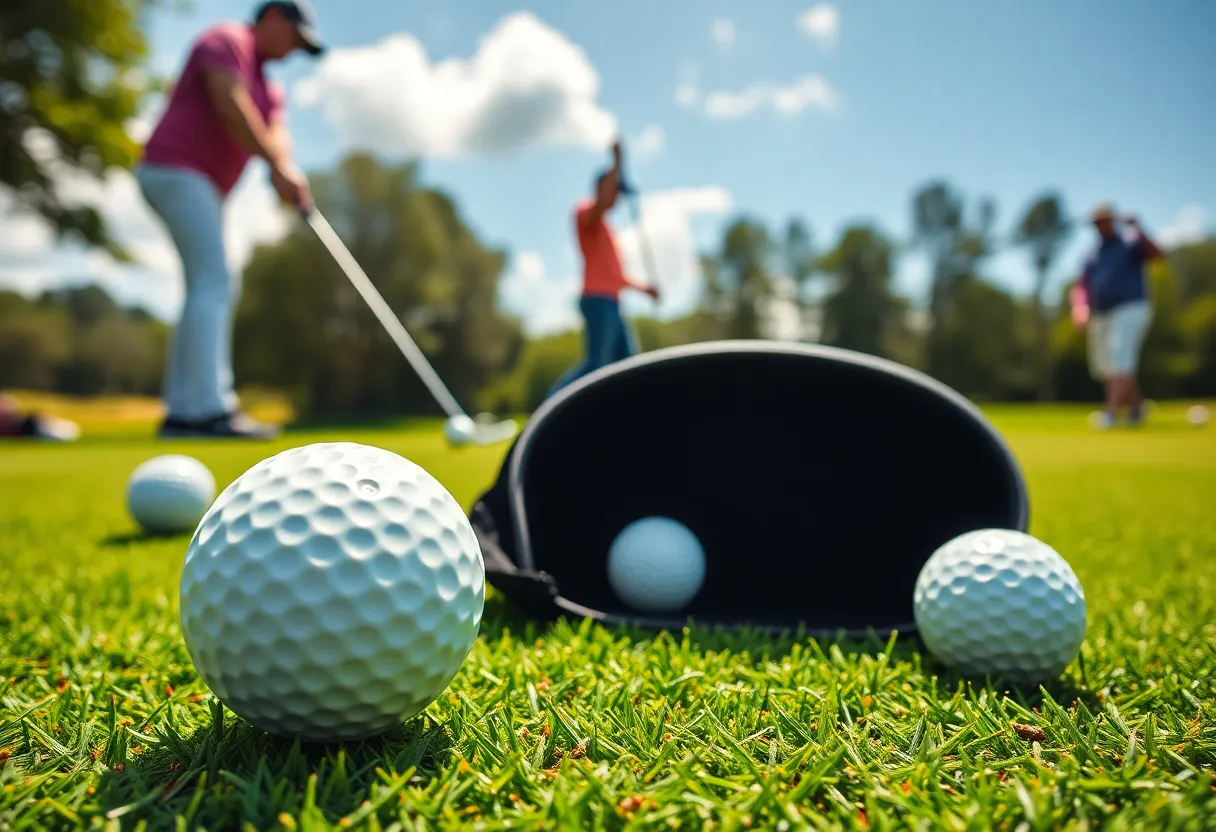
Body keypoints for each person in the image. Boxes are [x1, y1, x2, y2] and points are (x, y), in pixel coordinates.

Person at [135, 1, 325, 438]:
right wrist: (274, 165)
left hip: (202, 185)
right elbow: (229, 102)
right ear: (272, 17)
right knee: (215, 279)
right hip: (175, 169)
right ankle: (206, 409)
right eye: (294, 38)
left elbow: (276, 132)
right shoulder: (227, 40)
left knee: (205, 285)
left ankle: (184, 411)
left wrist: (285, 168)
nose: (293, 50)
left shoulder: (269, 86)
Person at [547, 141, 660, 398]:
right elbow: (600, 204)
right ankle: (552, 404)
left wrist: (646, 289)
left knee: (628, 365)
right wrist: (618, 164)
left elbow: (617, 277)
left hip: (613, 303)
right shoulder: (585, 213)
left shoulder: (609, 232)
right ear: (600, 188)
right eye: (614, 190)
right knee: (596, 365)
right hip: (596, 301)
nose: (617, 197)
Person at [1071, 202, 1164, 429]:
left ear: (1113, 221)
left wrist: (1138, 227)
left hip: (1131, 307)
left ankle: (1110, 414)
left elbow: (1158, 254)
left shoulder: (1130, 242)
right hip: (1101, 312)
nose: (1100, 226)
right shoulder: (1092, 253)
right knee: (1105, 366)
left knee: (1119, 358)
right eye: (1096, 223)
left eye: (1104, 221)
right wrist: (1080, 307)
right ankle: (1137, 408)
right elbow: (1082, 285)